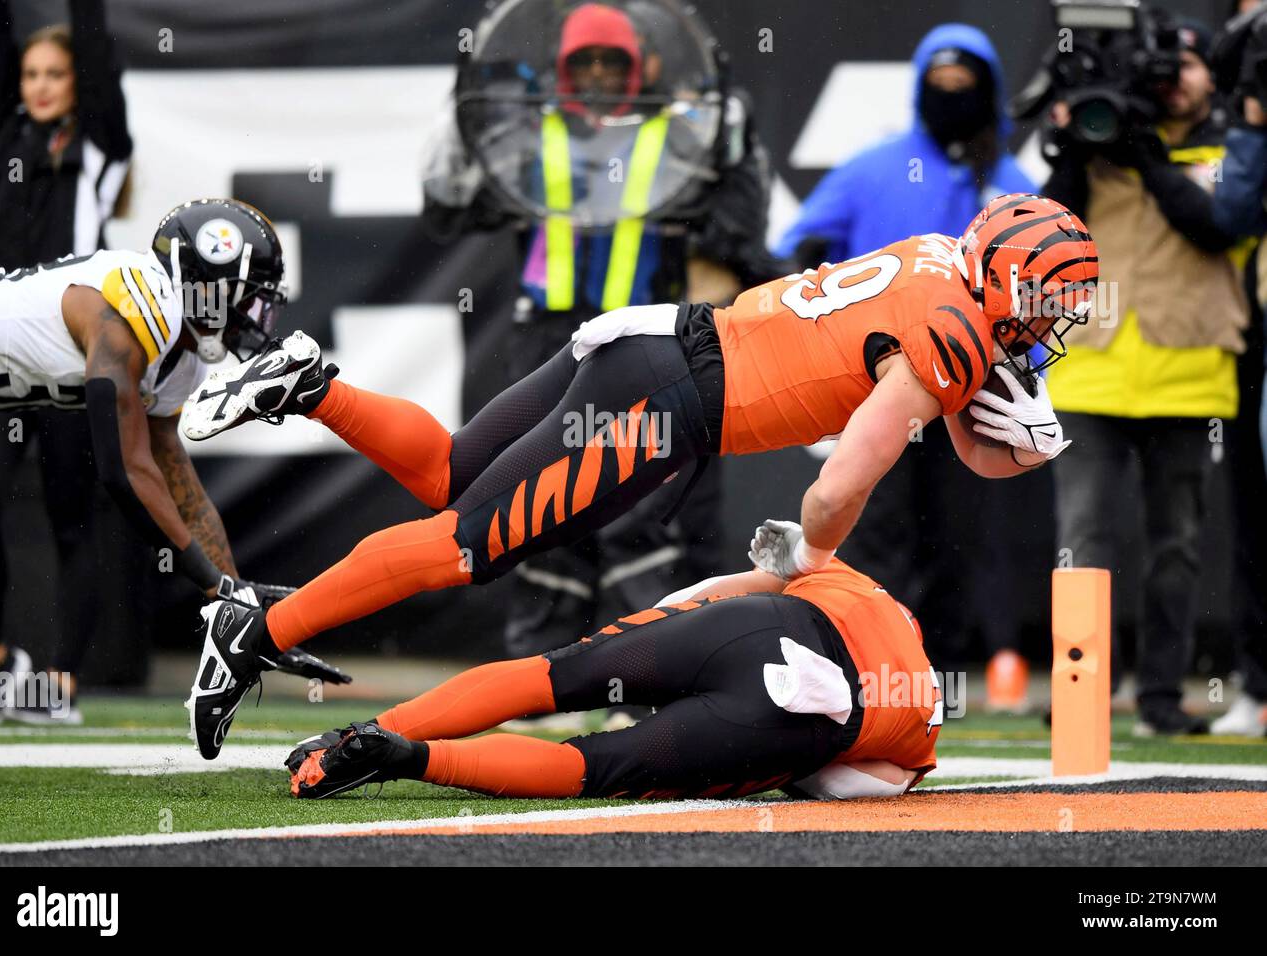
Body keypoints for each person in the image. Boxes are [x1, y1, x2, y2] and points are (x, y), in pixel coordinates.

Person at [182, 192, 1097, 759]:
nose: (1056, 328)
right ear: (1015, 283)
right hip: (665, 400)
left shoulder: (943, 261)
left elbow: (952, 423)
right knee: (465, 548)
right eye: (1055, 304)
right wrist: (809, 550)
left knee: (451, 471)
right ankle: (259, 626)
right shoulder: (958, 336)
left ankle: (311, 385)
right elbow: (837, 485)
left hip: (655, 337)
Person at [422, 2, 779, 722]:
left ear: (636, 67)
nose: (594, 75)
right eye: (581, 62)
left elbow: (739, 211)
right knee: (537, 503)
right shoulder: (524, 131)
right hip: (542, 340)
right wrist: (460, 108)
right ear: (561, 69)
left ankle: (645, 683)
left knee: (635, 511)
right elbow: (447, 203)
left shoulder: (684, 132)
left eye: (609, 62)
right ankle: (539, 680)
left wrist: (728, 116)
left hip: (638, 342)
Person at [0, 198, 337, 721]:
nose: (254, 316)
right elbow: (126, 473)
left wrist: (246, 611)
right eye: (245, 298)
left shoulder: (179, 356)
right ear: (201, 285)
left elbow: (178, 481)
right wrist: (217, 586)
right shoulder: (134, 311)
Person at [773, 24, 1040, 710]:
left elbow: (1039, 293)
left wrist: (1027, 373)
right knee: (877, 526)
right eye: (939, 85)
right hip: (879, 390)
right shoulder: (871, 170)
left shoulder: (1012, 187)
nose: (952, 98)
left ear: (992, 95)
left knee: (959, 536)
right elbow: (794, 247)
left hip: (970, 395)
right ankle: (873, 661)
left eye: (966, 86)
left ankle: (937, 674)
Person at [287, 544, 939, 802]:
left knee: (551, 675)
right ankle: (409, 758)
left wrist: (655, 641)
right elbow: (856, 788)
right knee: (590, 766)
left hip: (748, 624)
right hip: (798, 715)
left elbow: (715, 589)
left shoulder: (857, 582)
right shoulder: (919, 732)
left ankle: (362, 731)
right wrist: (790, 774)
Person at [1042, 21, 1248, 735]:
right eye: (1157, 69)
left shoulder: (1234, 150)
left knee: (1175, 547)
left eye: (1185, 66)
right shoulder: (1102, 136)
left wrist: (1152, 159)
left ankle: (1160, 699)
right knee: (1084, 538)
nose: (1170, 82)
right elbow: (1043, 222)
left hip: (1189, 375)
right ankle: (1079, 695)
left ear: (1212, 76)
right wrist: (1079, 141)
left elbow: (1221, 227)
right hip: (1090, 376)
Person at [0, 0, 132, 724]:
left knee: (73, 517)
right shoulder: (5, 131)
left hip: (67, 359)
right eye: (30, 73)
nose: (38, 86)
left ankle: (58, 687)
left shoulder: (100, 143)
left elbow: (95, 48)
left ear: (76, 83)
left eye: (54, 74)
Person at [1209, 0, 1267, 737]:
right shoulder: (1246, 116)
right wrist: (1253, 122)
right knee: (1257, 517)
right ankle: (1258, 683)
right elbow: (1231, 213)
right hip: (1260, 331)